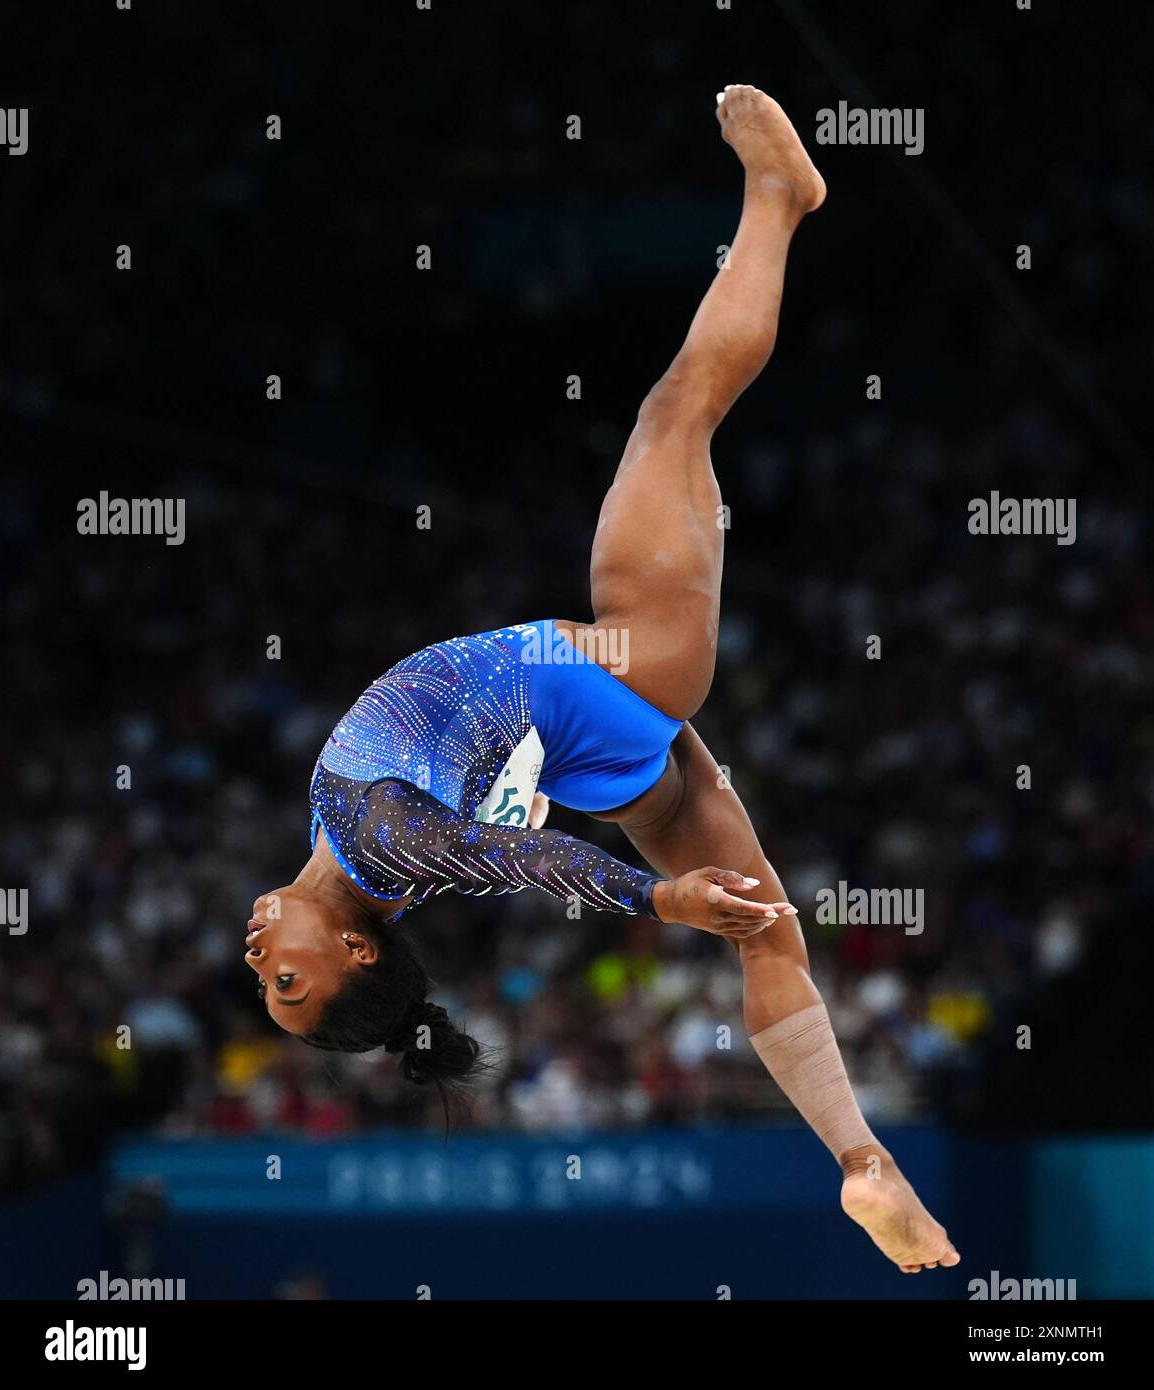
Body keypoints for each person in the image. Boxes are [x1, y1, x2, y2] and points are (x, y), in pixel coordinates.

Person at [246, 85, 959, 1274]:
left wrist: (642, 868)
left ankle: (858, 1157)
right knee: (676, 410)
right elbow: (516, 857)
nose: (256, 951)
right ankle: (782, 199)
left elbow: (500, 837)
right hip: (624, 660)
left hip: (617, 752)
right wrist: (651, 901)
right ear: (356, 955)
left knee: (766, 929)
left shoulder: (375, 855)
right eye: (283, 980)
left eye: (265, 981)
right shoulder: (375, 836)